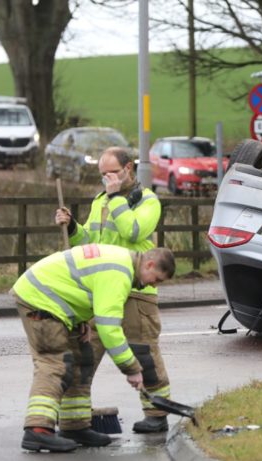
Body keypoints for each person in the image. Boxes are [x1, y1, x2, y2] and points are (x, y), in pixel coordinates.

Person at [54, 146, 174, 438]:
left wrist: (116, 198)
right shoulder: (100, 201)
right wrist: (71, 227)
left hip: (137, 290)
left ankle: (157, 413)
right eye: (102, 174)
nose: (106, 179)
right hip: (102, 287)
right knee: (85, 353)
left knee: (143, 351)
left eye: (112, 173)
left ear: (129, 169)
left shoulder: (148, 201)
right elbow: (92, 242)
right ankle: (74, 420)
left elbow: (133, 231)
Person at [13, 244, 176, 452]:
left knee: (82, 357)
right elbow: (109, 329)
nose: (152, 285)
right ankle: (37, 430)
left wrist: (80, 319)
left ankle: (75, 426)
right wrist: (131, 368)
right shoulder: (120, 273)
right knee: (55, 362)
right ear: (150, 264)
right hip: (40, 300)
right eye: (157, 279)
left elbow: (84, 288)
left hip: (57, 303)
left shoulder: (123, 265)